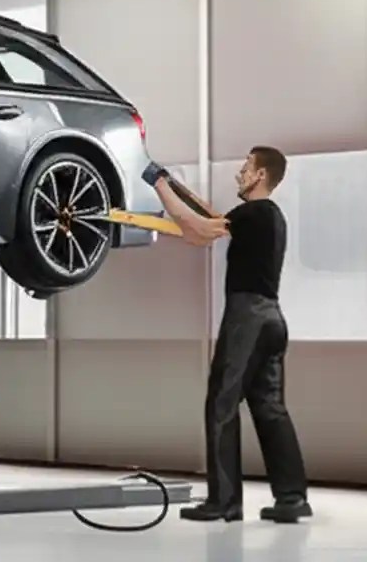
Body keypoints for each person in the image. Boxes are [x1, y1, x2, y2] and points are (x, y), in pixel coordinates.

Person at [142, 146, 311, 524]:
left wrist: (158, 184)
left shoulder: (254, 212)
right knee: (270, 408)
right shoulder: (270, 217)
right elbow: (212, 219)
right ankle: (292, 497)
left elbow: (198, 231)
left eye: (246, 168)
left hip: (248, 317)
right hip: (272, 319)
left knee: (221, 403)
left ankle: (224, 501)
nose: (239, 173)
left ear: (261, 175)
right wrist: (175, 187)